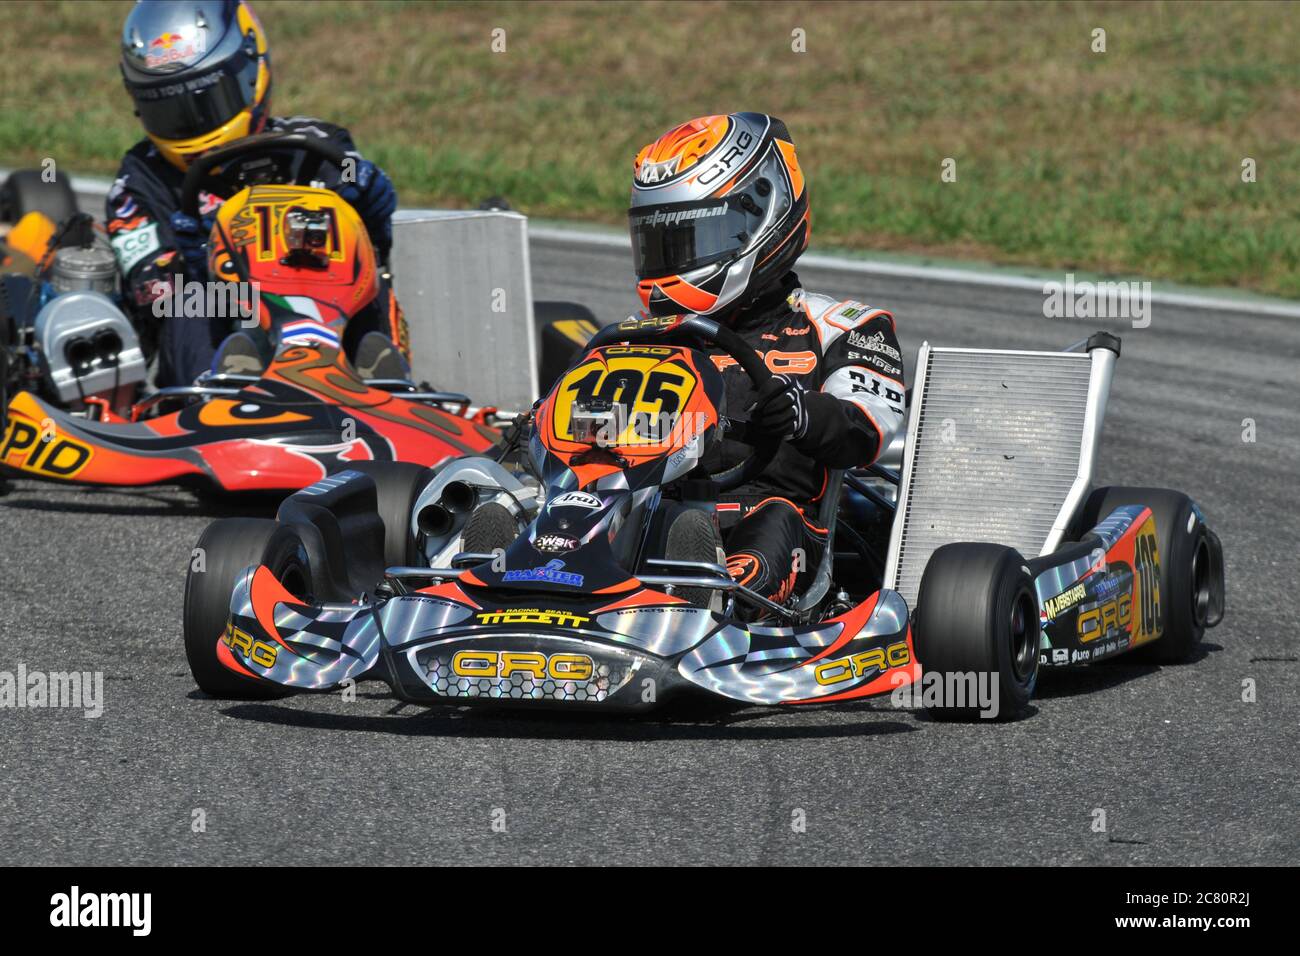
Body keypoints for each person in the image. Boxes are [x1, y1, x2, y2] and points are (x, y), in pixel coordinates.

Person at [627, 112, 906, 604]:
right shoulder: (645, 340)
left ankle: (717, 597)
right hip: (652, 512)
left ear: (763, 218)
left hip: (776, 521)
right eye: (660, 244)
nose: (672, 260)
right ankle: (507, 575)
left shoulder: (843, 326)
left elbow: (865, 431)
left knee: (771, 521)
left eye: (691, 241)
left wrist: (801, 413)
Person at [106, 0, 399, 387]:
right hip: (211, 333)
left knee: (360, 267)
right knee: (187, 298)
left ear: (249, 72)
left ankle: (381, 383)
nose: (193, 124)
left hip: (329, 317)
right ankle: (219, 390)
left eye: (207, 102)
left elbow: (375, 243)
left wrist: (371, 207)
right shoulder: (139, 181)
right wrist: (199, 263)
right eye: (172, 111)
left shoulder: (318, 144)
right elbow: (152, 293)